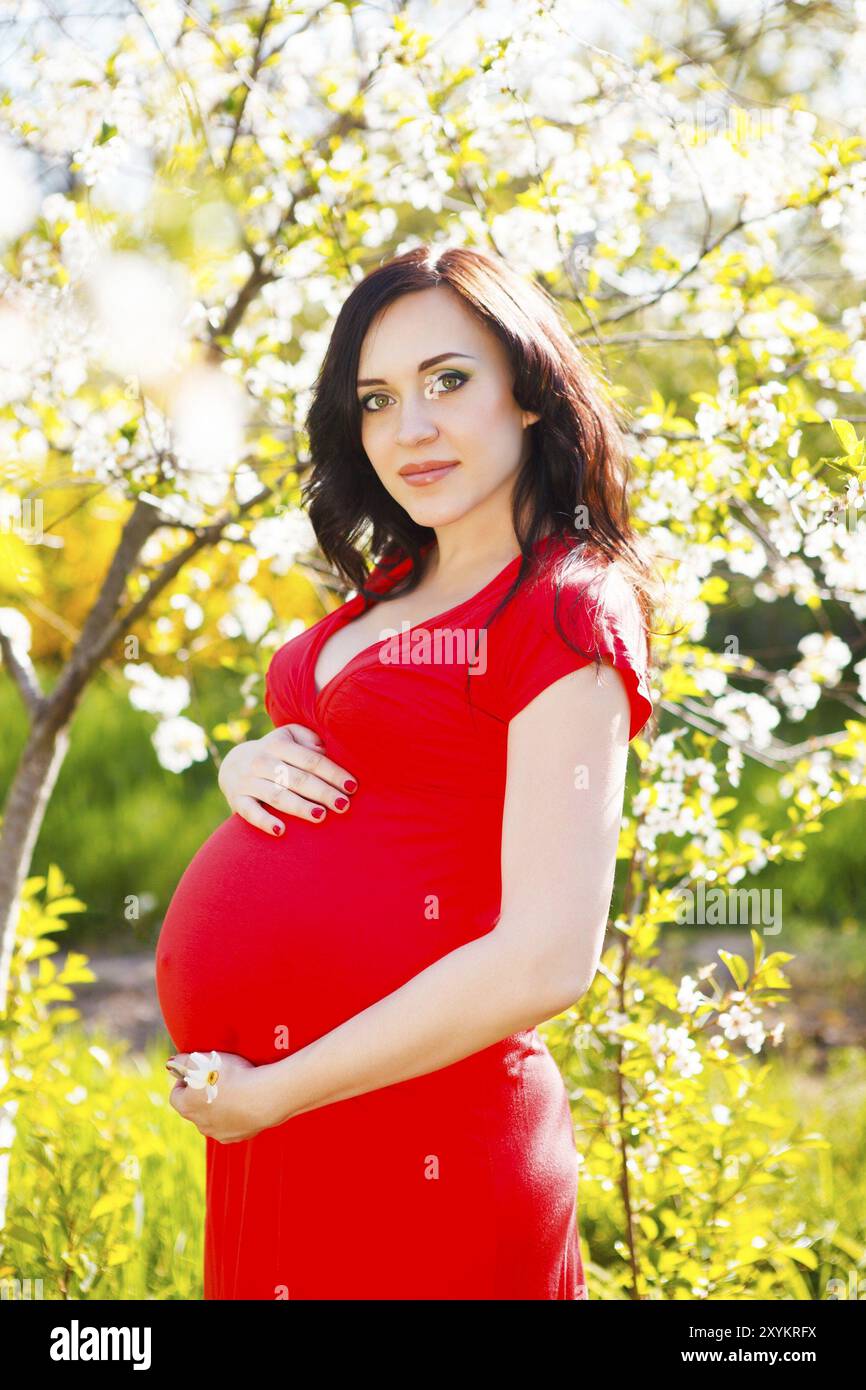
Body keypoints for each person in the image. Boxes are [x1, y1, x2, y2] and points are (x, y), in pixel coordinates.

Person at [155, 244, 659, 1300]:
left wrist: (280, 1088)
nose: (409, 428)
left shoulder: (562, 606)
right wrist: (244, 764)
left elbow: (544, 958)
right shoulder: (393, 581)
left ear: (528, 390)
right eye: (376, 399)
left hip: (423, 1130)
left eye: (448, 380)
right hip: (278, 1125)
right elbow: (365, 766)